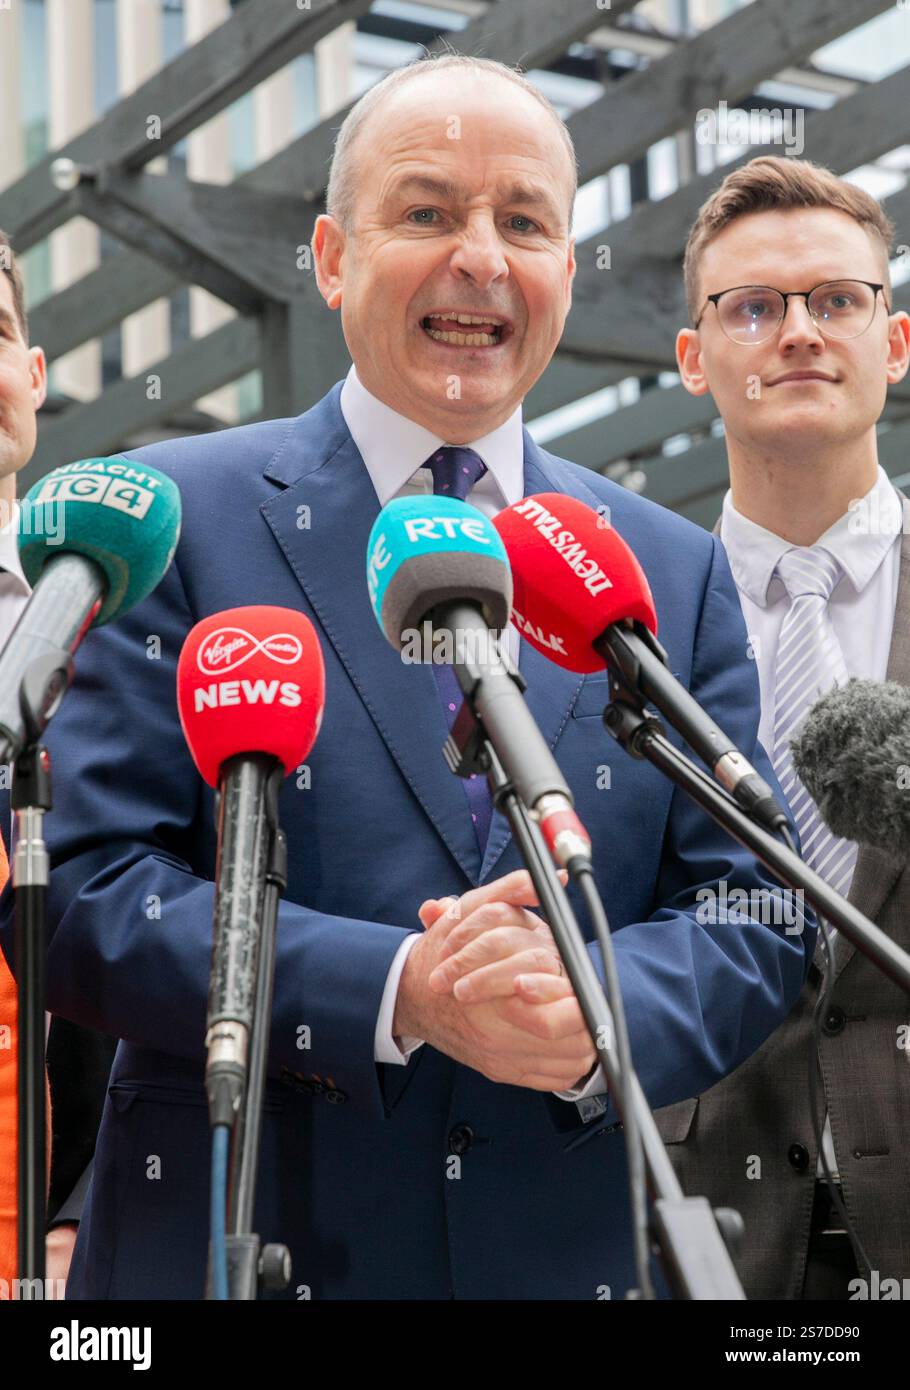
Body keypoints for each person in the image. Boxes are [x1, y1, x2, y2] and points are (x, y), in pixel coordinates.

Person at [0, 56, 811, 1301]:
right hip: (235, 1247)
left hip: (561, 1258)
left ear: (566, 269)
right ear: (331, 257)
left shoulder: (670, 568)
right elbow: (84, 893)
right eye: (427, 212)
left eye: (525, 223)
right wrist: (398, 991)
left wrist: (595, 1003)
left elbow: (756, 915)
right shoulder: (170, 516)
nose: (482, 258)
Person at [665, 154, 910, 1299]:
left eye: (835, 301)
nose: (797, 332)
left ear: (892, 341)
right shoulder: (616, 620)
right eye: (753, 307)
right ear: (693, 359)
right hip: (696, 1223)